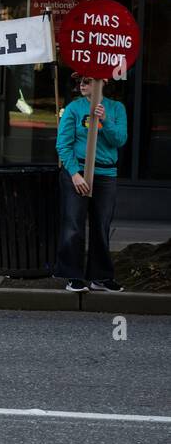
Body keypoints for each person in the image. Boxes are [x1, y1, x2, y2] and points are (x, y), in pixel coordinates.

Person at [57, 74, 128, 293]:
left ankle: (101, 277)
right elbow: (63, 144)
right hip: (77, 171)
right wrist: (75, 174)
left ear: (102, 82)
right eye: (80, 81)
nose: (82, 84)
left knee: (101, 225)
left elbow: (120, 140)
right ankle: (72, 276)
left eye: (87, 81)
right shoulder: (73, 109)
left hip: (105, 174)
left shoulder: (116, 108)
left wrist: (105, 120)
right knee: (73, 225)